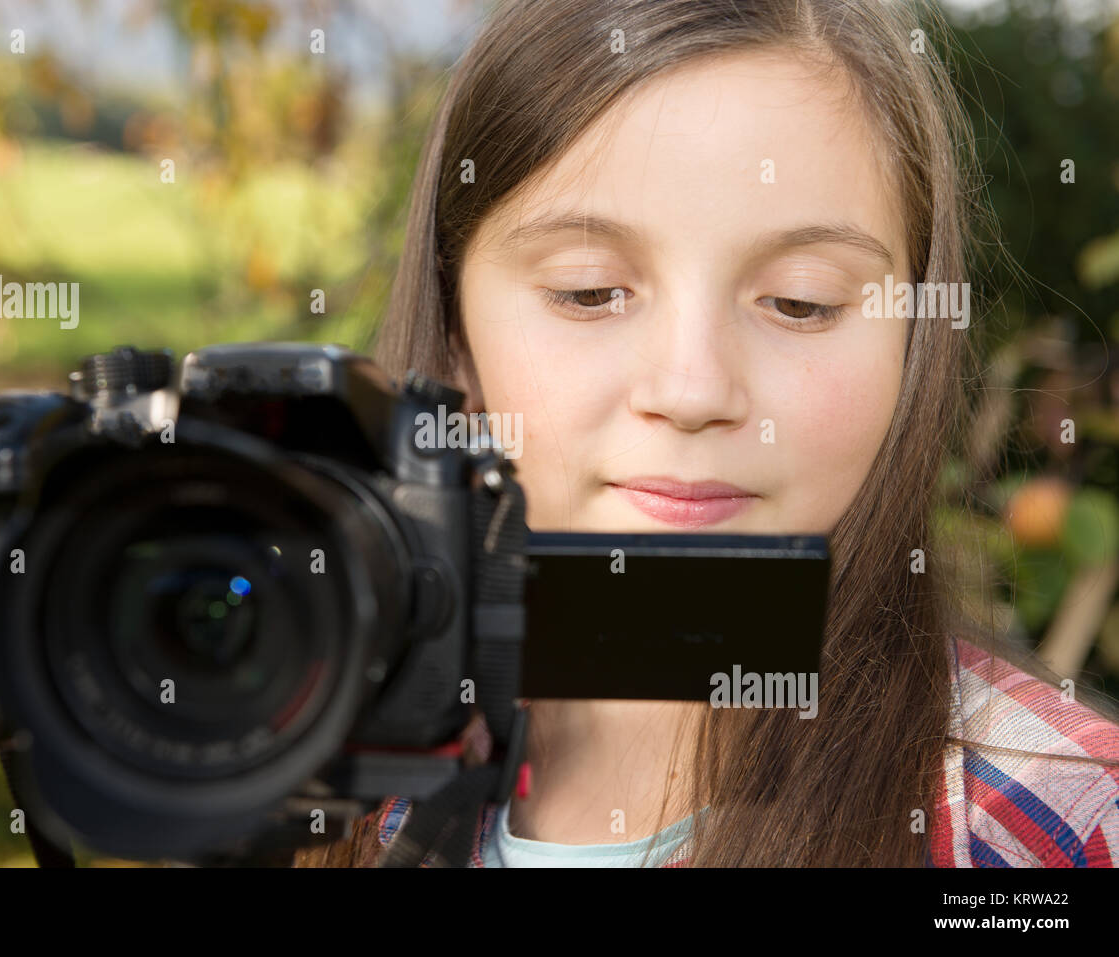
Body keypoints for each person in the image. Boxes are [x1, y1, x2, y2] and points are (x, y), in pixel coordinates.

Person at [294, 0, 1119, 867]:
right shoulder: (274, 759)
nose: (692, 390)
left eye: (801, 301)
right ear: (455, 333)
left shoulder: (1057, 833)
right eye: (587, 291)